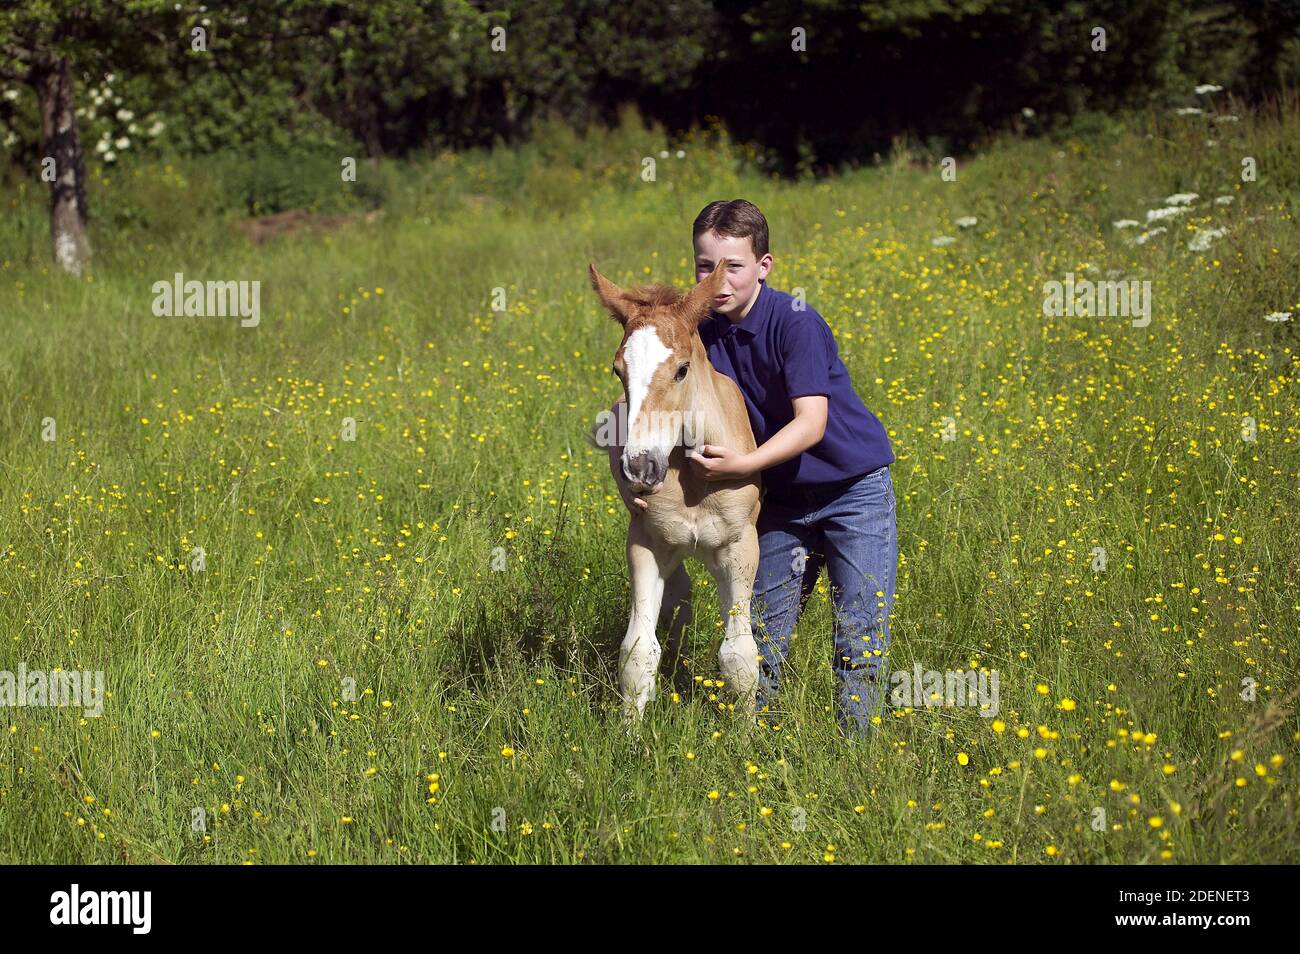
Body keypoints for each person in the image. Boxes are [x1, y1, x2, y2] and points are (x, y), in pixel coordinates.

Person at [608, 199, 897, 736]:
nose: (718, 281)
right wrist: (623, 473)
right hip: (778, 500)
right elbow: (639, 395)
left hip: (849, 488)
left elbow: (811, 423)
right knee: (761, 637)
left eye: (733, 267)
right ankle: (750, 753)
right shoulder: (693, 330)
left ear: (764, 266)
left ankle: (859, 757)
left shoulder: (796, 323)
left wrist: (743, 463)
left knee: (860, 633)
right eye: (704, 266)